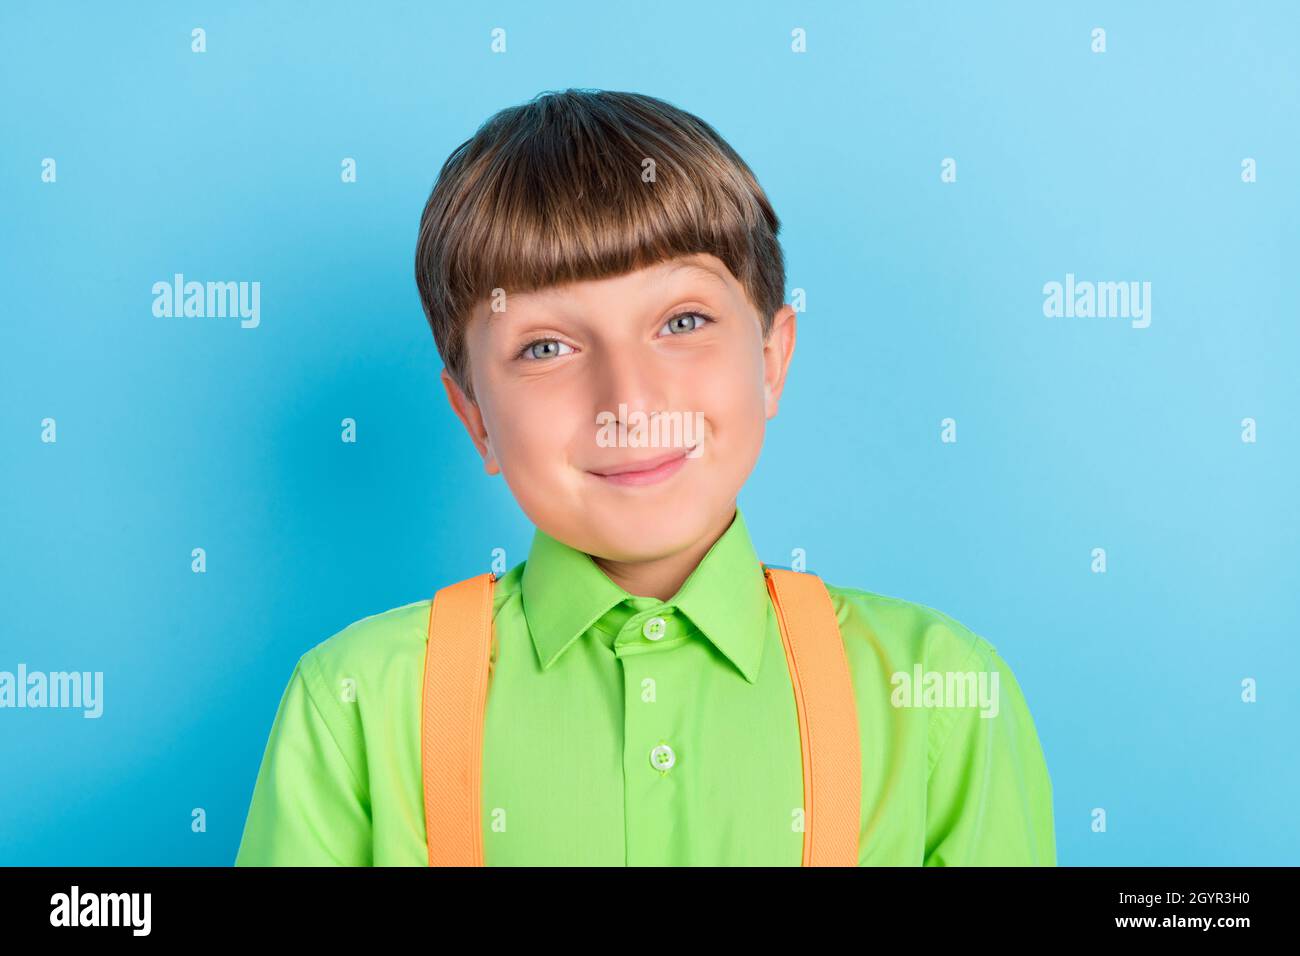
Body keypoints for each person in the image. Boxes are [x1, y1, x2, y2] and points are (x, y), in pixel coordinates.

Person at [235, 89, 1056, 866]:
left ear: (771, 362)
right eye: (545, 347)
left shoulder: (940, 691)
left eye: (683, 321)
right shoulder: (354, 703)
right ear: (475, 416)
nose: (628, 402)